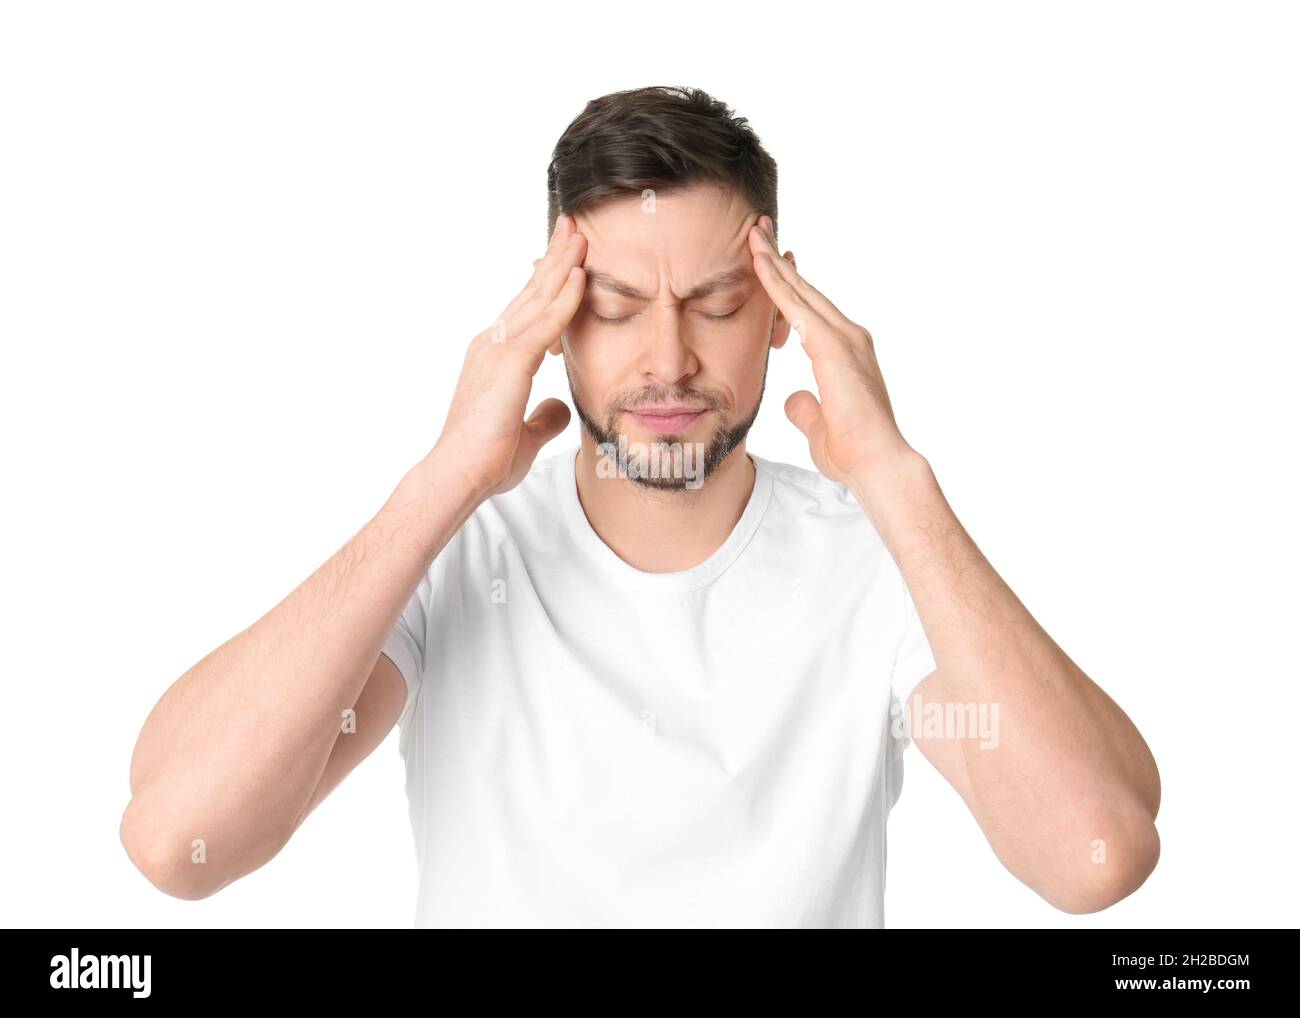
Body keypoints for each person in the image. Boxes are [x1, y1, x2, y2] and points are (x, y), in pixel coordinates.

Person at [120, 85, 1161, 928]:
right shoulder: (454, 550)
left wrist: (896, 482)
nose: (669, 359)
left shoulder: (880, 561)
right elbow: (178, 842)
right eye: (615, 308)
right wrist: (441, 479)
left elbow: (1095, 856)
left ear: (785, 310)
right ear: (550, 316)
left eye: (715, 305)